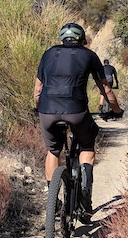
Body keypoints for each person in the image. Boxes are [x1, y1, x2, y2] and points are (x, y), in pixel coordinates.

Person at [34, 22, 123, 223]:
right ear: (82, 39)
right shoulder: (89, 55)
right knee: (87, 146)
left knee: (53, 150)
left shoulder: (48, 54)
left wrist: (38, 107)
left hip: (47, 111)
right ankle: (85, 195)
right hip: (76, 112)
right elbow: (106, 90)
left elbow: (38, 89)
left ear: (61, 39)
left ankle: (53, 201)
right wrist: (116, 110)